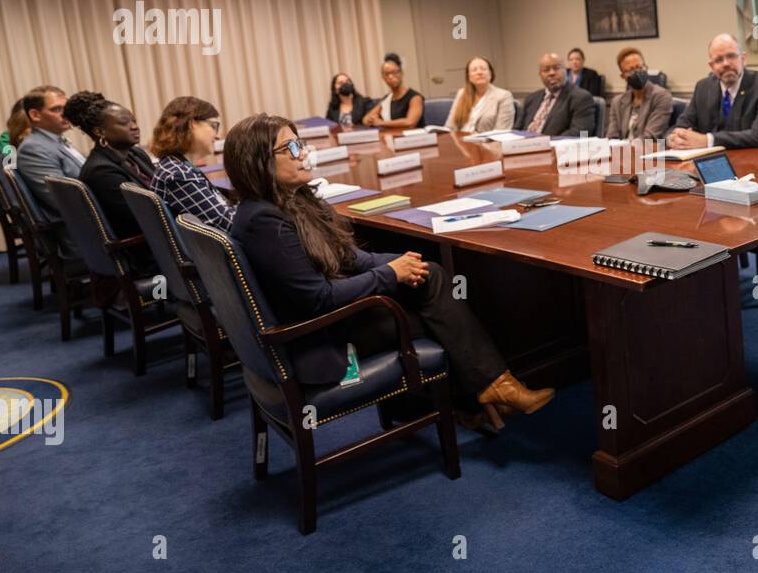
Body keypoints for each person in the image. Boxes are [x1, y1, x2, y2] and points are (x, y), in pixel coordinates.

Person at [223, 114, 554, 427]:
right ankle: (484, 392)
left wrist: (401, 262)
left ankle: (486, 392)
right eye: (290, 148)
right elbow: (318, 299)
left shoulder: (290, 201)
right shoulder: (263, 222)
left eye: (301, 144)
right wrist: (391, 273)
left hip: (330, 317)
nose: (302, 154)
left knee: (429, 273)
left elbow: (346, 258)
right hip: (319, 336)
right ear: (259, 162)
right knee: (432, 313)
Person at [62, 91, 156, 239]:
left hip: (161, 230)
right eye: (124, 122)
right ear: (99, 131)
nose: (134, 127)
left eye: (134, 120)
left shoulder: (136, 154)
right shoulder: (101, 172)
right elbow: (141, 218)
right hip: (150, 244)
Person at [668, 33, 758, 149]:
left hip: (755, 162)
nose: (726, 63)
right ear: (712, 66)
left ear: (743, 59)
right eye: (719, 59)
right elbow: (682, 125)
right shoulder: (703, 87)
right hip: (711, 162)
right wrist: (674, 138)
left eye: (731, 56)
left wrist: (708, 140)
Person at [15, 85, 85, 256]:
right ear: (35, 115)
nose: (65, 113)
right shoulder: (34, 149)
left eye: (66, 108)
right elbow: (64, 200)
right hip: (82, 234)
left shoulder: (56, 141)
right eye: (56, 109)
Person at [150, 96, 236, 232]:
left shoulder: (176, 165)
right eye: (214, 126)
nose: (217, 135)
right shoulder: (178, 175)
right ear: (192, 124)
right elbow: (229, 225)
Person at [520, 52, 596, 137]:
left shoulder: (581, 98)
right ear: (540, 74)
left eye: (556, 68)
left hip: (554, 148)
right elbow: (516, 130)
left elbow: (582, 133)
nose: (551, 73)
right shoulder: (531, 99)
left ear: (566, 71)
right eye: (546, 70)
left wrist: (545, 142)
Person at [606, 47, 672, 141]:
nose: (637, 72)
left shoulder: (662, 96)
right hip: (620, 153)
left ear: (646, 67)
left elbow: (650, 136)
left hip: (649, 152)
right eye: (631, 70)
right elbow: (612, 137)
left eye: (640, 67)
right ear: (623, 76)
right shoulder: (617, 102)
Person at [362, 53, 424, 129]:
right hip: (394, 137)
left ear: (401, 73)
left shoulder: (415, 97)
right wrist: (372, 119)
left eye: (394, 72)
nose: (390, 77)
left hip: (414, 138)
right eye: (386, 74)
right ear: (383, 78)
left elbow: (410, 123)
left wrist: (381, 123)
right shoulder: (387, 98)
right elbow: (365, 119)